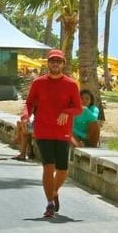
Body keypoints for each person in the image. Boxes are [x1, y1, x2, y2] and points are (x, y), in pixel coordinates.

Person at [21, 49, 81, 218]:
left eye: (58, 61)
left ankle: (53, 191)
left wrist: (67, 112)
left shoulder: (70, 85)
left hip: (62, 132)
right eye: (52, 60)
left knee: (62, 170)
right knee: (48, 167)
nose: (55, 63)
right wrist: (26, 115)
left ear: (63, 64)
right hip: (43, 131)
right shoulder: (38, 83)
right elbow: (29, 103)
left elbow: (78, 108)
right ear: (48, 63)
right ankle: (49, 204)